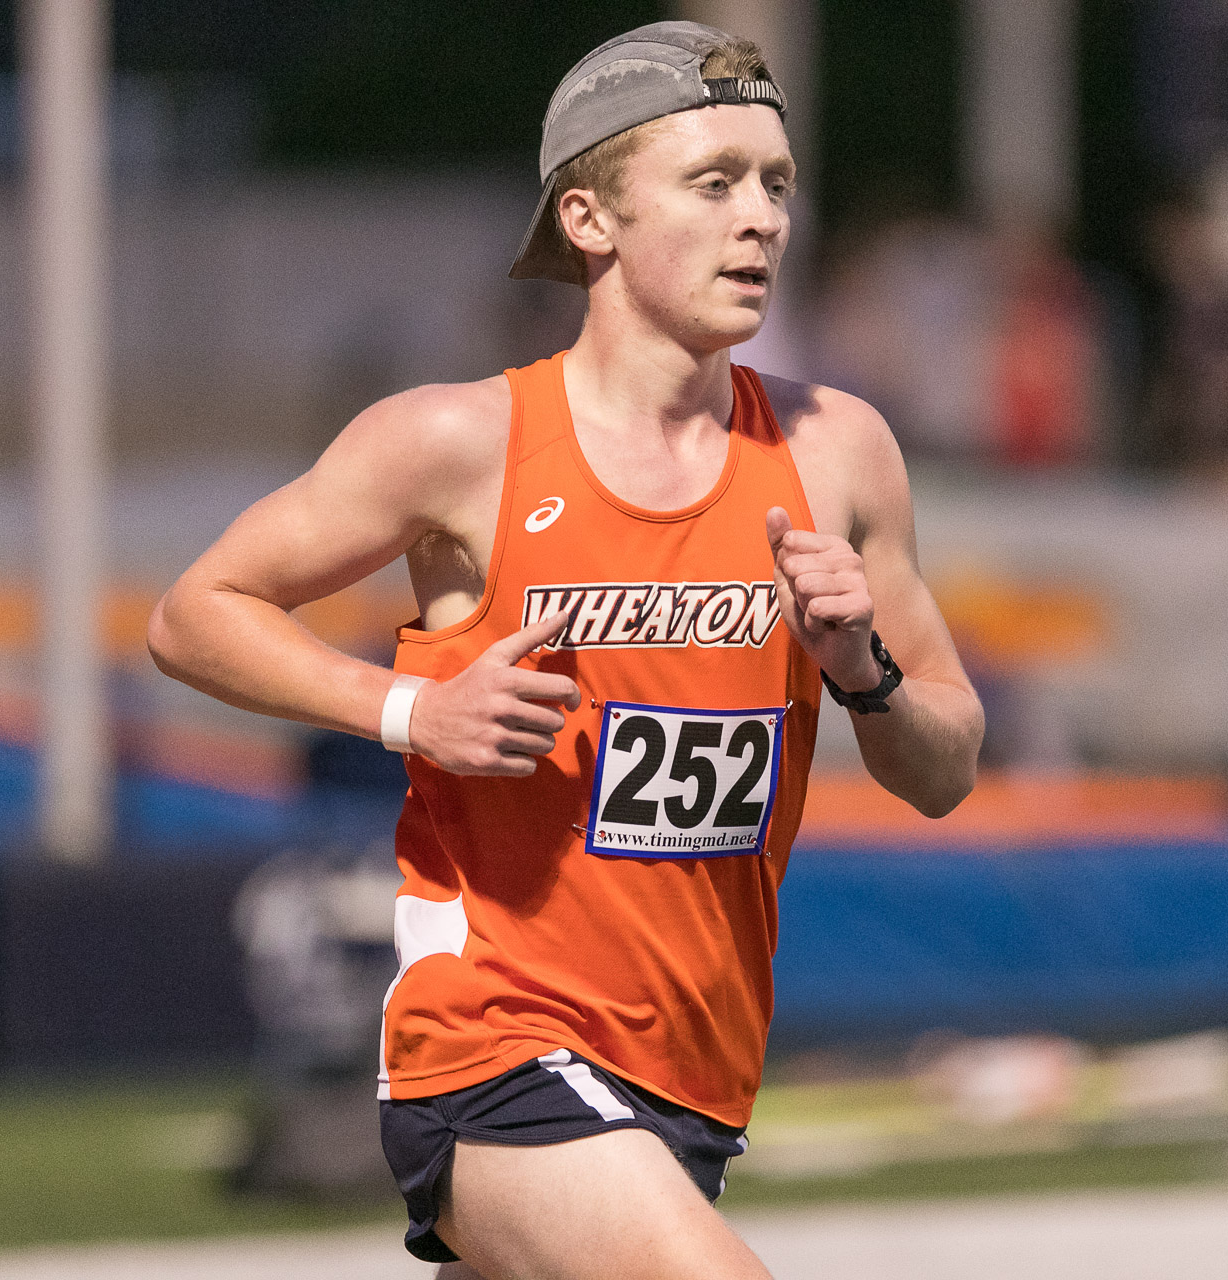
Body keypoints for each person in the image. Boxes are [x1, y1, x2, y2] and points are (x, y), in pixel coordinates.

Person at [148, 22, 983, 1279]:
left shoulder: (838, 449)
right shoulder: (457, 441)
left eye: (775, 184)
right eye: (714, 184)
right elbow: (195, 611)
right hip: (494, 1045)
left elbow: (947, 765)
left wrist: (862, 666)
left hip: (694, 1068)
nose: (760, 220)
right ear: (591, 220)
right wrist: (408, 715)